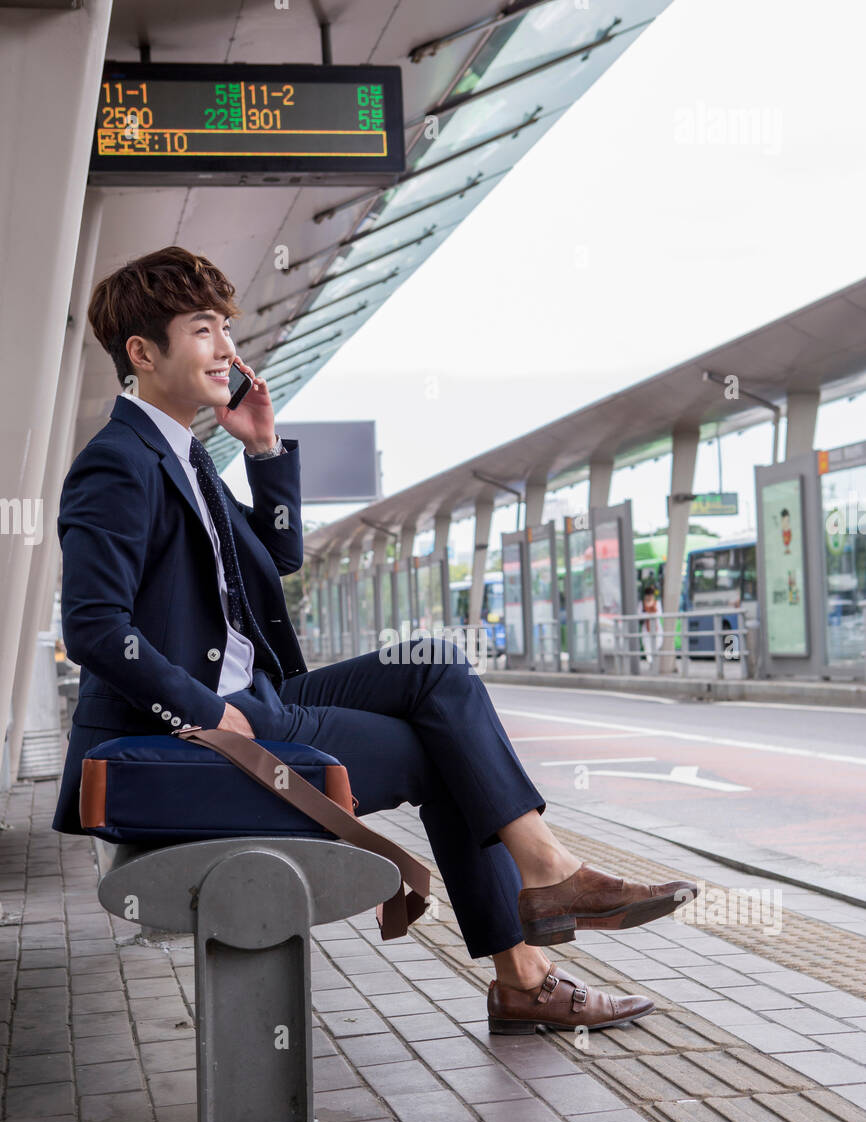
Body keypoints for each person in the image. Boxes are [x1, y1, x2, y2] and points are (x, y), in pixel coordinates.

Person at [52, 246, 698, 1036]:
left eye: (225, 327)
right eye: (202, 330)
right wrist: (200, 712)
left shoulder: (186, 454)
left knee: (436, 670)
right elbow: (92, 624)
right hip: (204, 728)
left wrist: (260, 451)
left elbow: (274, 560)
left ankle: (545, 877)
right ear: (143, 353)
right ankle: (527, 961)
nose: (226, 349)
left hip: (261, 697)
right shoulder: (119, 463)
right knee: (443, 753)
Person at [640, 581, 663, 668]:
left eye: (651, 595)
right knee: (647, 646)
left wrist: (649, 613)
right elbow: (639, 615)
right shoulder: (641, 605)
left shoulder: (657, 603)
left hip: (656, 628)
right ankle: (651, 663)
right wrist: (649, 614)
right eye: (648, 595)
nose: (649, 596)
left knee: (657, 644)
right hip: (646, 629)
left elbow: (659, 614)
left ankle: (654, 663)